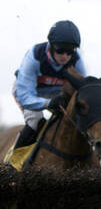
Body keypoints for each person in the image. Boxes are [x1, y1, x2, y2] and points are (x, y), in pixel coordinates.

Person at [11, 21, 88, 149]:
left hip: (56, 94)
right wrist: (48, 103)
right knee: (35, 122)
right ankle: (13, 163)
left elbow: (83, 91)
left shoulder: (77, 60)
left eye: (70, 51)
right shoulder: (34, 56)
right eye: (61, 50)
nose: (65, 56)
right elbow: (25, 97)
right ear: (51, 45)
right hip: (27, 92)